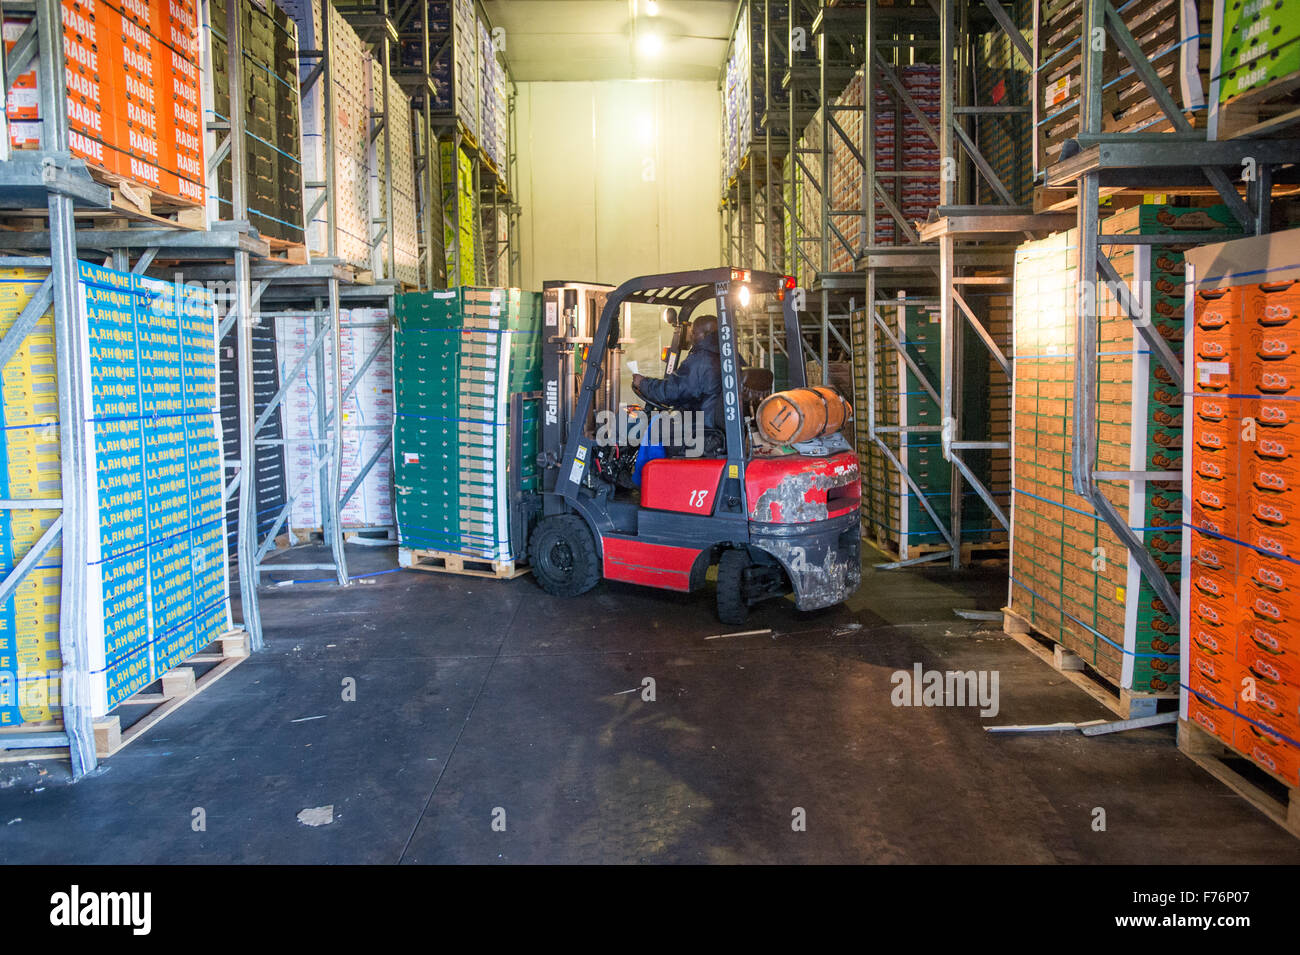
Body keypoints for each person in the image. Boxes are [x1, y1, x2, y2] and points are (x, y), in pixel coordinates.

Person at [631, 314, 723, 431]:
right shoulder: (728, 355)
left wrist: (643, 383)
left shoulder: (701, 360)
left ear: (705, 334)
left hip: (699, 429)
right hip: (713, 424)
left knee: (652, 430)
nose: (691, 337)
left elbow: (672, 391)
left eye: (694, 333)